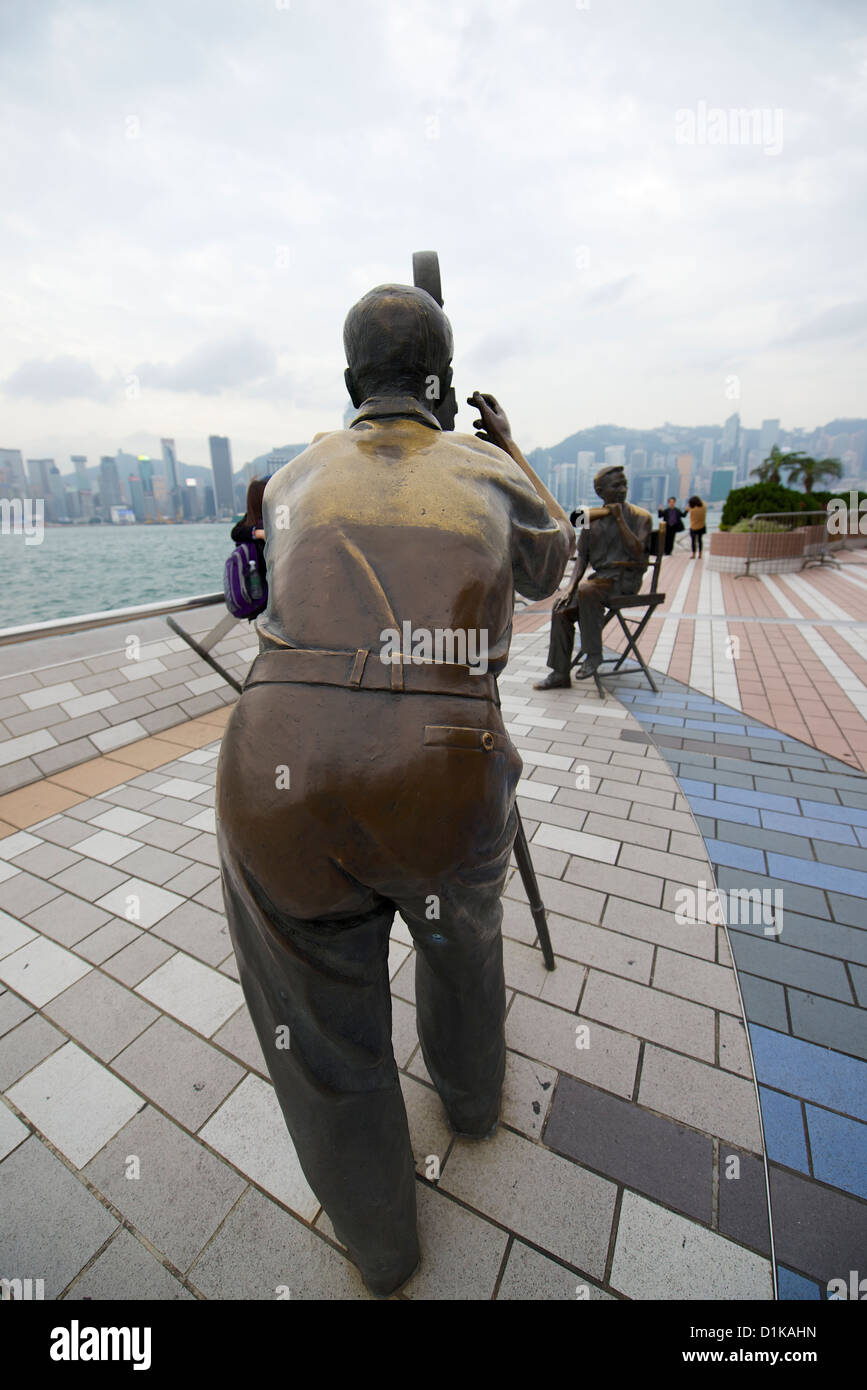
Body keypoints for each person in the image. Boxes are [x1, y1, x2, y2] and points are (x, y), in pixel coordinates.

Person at [215, 283, 572, 1297]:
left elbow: (266, 598)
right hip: (445, 771)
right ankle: (470, 1100)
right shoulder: (487, 469)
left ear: (347, 387)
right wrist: (512, 448)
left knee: (323, 1030)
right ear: (445, 386)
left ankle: (382, 1246)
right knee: (461, 942)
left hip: (277, 769)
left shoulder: (290, 477)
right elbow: (551, 568)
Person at [534, 465, 653, 688]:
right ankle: (560, 673)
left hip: (625, 580)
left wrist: (619, 520)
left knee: (588, 590)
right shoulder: (589, 517)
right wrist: (569, 588)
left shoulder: (640, 517)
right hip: (598, 583)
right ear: (600, 491)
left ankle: (593, 654)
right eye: (616, 485)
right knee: (561, 609)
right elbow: (582, 558)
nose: (622, 489)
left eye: (624, 484)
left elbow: (638, 552)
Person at [230, 477, 267, 585]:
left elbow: (235, 533)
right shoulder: (267, 522)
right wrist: (258, 533)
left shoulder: (248, 523)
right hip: (266, 586)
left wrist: (255, 533)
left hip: (252, 587)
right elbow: (235, 533)